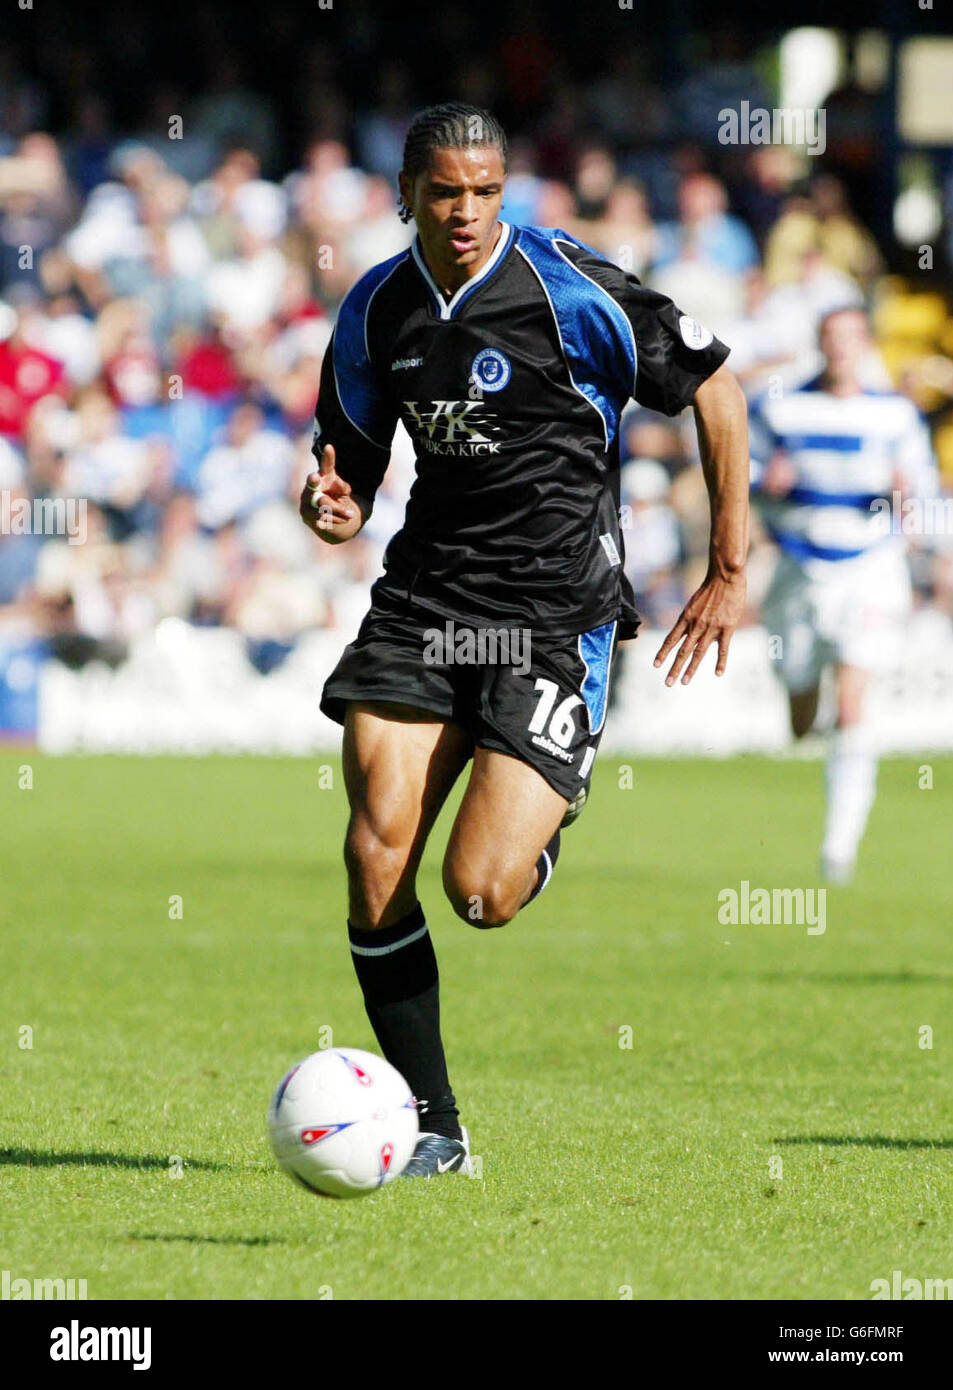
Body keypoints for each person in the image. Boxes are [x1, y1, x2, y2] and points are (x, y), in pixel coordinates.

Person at [299, 103, 749, 1177]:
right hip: (425, 603)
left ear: (505, 190)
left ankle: (536, 823)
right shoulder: (373, 310)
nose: (465, 213)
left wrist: (728, 566)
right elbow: (346, 476)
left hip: (551, 619)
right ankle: (434, 1127)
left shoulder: (570, 287)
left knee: (479, 894)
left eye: (484, 192)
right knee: (373, 853)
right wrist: (331, 507)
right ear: (405, 191)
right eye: (445, 192)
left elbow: (715, 389)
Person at [750, 306, 937, 883]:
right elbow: (741, 480)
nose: (840, 349)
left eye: (851, 339)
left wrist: (907, 499)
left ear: (865, 345)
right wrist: (766, 484)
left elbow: (924, 496)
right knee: (801, 716)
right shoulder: (781, 407)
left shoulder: (895, 414)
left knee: (854, 704)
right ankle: (812, 707)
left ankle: (839, 847)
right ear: (820, 343)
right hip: (800, 570)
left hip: (870, 567)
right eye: (831, 338)